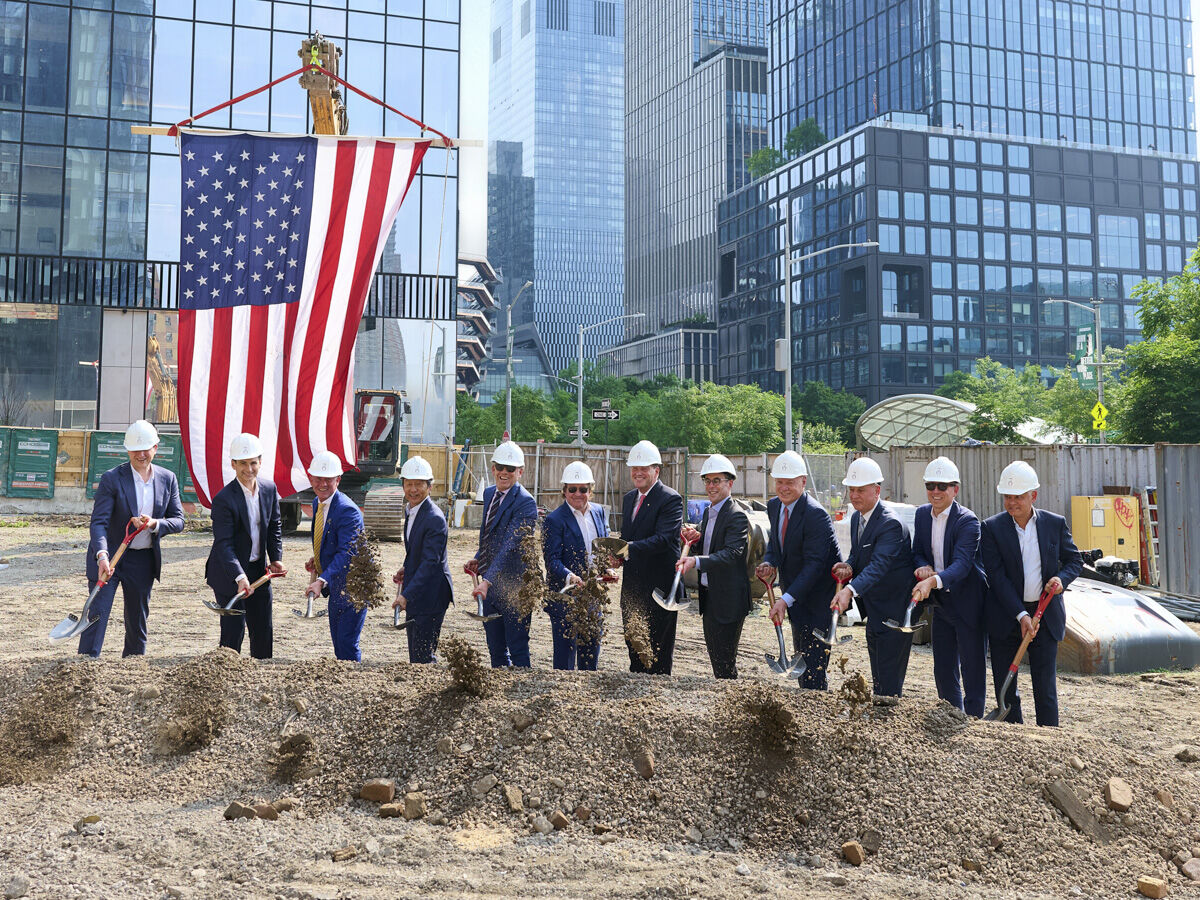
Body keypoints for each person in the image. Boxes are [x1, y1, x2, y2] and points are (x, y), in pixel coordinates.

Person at [980, 461, 1082, 726]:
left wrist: (1061, 578)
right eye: (1008, 497)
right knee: (1006, 681)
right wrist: (1021, 614)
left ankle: (1049, 736)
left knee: (1044, 683)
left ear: (1033, 496)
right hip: (1007, 615)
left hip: (1044, 616)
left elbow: (1074, 561)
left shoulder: (1054, 524)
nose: (1012, 503)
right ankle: (1015, 738)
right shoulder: (992, 528)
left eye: (1018, 497)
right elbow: (997, 577)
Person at [80, 419, 184, 658]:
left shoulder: (167, 479)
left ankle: (133, 670)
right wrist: (102, 556)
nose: (141, 454)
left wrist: (156, 524)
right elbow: (99, 523)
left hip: (143, 561)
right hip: (111, 560)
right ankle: (85, 666)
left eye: (146, 448)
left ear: (156, 447)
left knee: (137, 621)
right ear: (127, 450)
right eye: (135, 449)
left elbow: (179, 520)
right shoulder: (112, 479)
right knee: (96, 615)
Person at [831, 457, 916, 697]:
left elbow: (878, 566)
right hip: (875, 607)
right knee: (877, 669)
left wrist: (849, 590)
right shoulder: (859, 517)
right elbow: (859, 555)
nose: (854, 495)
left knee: (889, 677)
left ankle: (890, 720)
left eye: (861, 490)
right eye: (852, 490)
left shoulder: (890, 524)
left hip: (893, 610)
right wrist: (848, 565)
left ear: (877, 491)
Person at [756, 450, 842, 690]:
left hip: (817, 602)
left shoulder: (816, 515)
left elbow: (814, 566)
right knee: (801, 662)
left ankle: (817, 717)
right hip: (794, 598)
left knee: (814, 670)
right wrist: (769, 561)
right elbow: (776, 543)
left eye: (790, 482)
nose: (783, 488)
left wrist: (785, 599)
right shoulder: (774, 506)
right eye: (779, 482)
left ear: (803, 481)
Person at [910, 456, 988, 716]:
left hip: (968, 603)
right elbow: (919, 551)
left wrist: (931, 580)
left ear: (955, 489)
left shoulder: (968, 521)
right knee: (943, 665)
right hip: (941, 603)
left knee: (972, 666)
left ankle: (974, 720)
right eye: (930, 486)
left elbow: (962, 565)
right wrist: (922, 567)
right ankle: (952, 715)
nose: (935, 492)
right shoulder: (922, 515)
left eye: (942, 487)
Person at [205, 433, 286, 659]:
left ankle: (261, 677)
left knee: (262, 629)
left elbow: (274, 526)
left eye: (253, 463)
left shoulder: (269, 490)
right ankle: (226, 677)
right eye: (243, 464)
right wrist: (239, 578)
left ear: (260, 462)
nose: (248, 469)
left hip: (258, 570)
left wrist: (276, 557)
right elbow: (224, 544)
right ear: (233, 464)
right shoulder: (224, 499)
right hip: (229, 571)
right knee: (233, 631)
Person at [614, 440, 684, 674]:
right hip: (633, 587)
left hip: (659, 589)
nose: (638, 473)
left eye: (644, 468)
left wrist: (626, 549)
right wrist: (617, 557)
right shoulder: (629, 498)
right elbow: (627, 538)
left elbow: (663, 539)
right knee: (634, 646)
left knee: (658, 652)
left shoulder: (670, 499)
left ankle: (658, 701)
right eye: (634, 468)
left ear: (657, 470)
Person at [677, 454, 751, 678]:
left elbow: (731, 554)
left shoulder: (736, 516)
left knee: (725, 661)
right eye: (707, 481)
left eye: (717, 480)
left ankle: (732, 703)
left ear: (730, 483)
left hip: (729, 600)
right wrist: (695, 539)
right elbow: (710, 546)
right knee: (716, 659)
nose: (711, 486)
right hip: (710, 596)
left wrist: (695, 561)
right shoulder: (710, 512)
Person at [466, 441, 539, 667]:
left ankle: (520, 691)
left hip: (515, 587)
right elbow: (491, 534)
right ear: (493, 468)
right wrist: (479, 556)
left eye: (510, 469)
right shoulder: (489, 494)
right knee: (495, 649)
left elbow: (509, 546)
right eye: (500, 467)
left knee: (517, 648)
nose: (504, 473)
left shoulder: (526, 503)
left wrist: (486, 581)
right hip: (491, 586)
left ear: (520, 472)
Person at [542, 460, 609, 670]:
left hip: (592, 596)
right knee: (565, 659)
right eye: (572, 489)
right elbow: (551, 560)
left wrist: (608, 568)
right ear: (564, 491)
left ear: (591, 490)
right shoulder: (554, 520)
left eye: (583, 489)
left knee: (590, 654)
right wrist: (570, 576)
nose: (578, 494)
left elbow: (603, 551)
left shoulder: (598, 513)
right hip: (565, 598)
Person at [305, 450, 366, 661]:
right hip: (337, 583)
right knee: (338, 643)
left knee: (347, 644)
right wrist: (319, 559)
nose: (322, 484)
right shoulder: (318, 503)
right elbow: (328, 540)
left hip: (354, 585)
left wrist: (321, 580)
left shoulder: (347, 511)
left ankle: (354, 684)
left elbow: (347, 553)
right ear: (310, 478)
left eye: (328, 479)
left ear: (338, 480)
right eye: (318, 478)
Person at [391, 455, 453, 664]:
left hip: (432, 595)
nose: (413, 490)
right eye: (409, 484)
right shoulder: (413, 511)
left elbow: (430, 563)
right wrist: (406, 567)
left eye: (419, 484)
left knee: (423, 656)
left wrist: (406, 595)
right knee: (416, 654)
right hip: (419, 590)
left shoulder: (434, 518)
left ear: (430, 486)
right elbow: (416, 551)